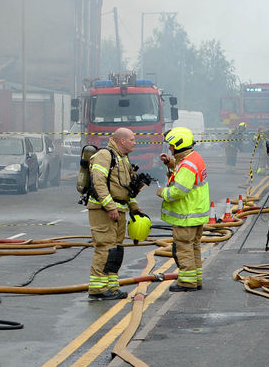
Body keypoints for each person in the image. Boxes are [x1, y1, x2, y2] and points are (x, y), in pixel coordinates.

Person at [84, 127, 146, 301]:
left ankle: (111, 286)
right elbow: (99, 183)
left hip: (119, 209)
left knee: (116, 250)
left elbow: (125, 188)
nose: (135, 142)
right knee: (105, 247)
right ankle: (98, 289)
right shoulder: (105, 156)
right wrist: (110, 206)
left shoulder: (123, 158)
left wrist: (134, 207)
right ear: (122, 141)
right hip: (104, 211)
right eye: (132, 139)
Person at [156, 126, 211, 291]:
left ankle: (187, 282)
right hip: (195, 214)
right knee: (193, 248)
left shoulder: (187, 165)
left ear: (179, 145)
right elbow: (182, 172)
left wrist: (163, 192)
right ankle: (196, 280)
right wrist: (171, 163)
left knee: (184, 248)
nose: (170, 148)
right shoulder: (193, 158)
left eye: (171, 145)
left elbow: (179, 190)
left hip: (186, 215)